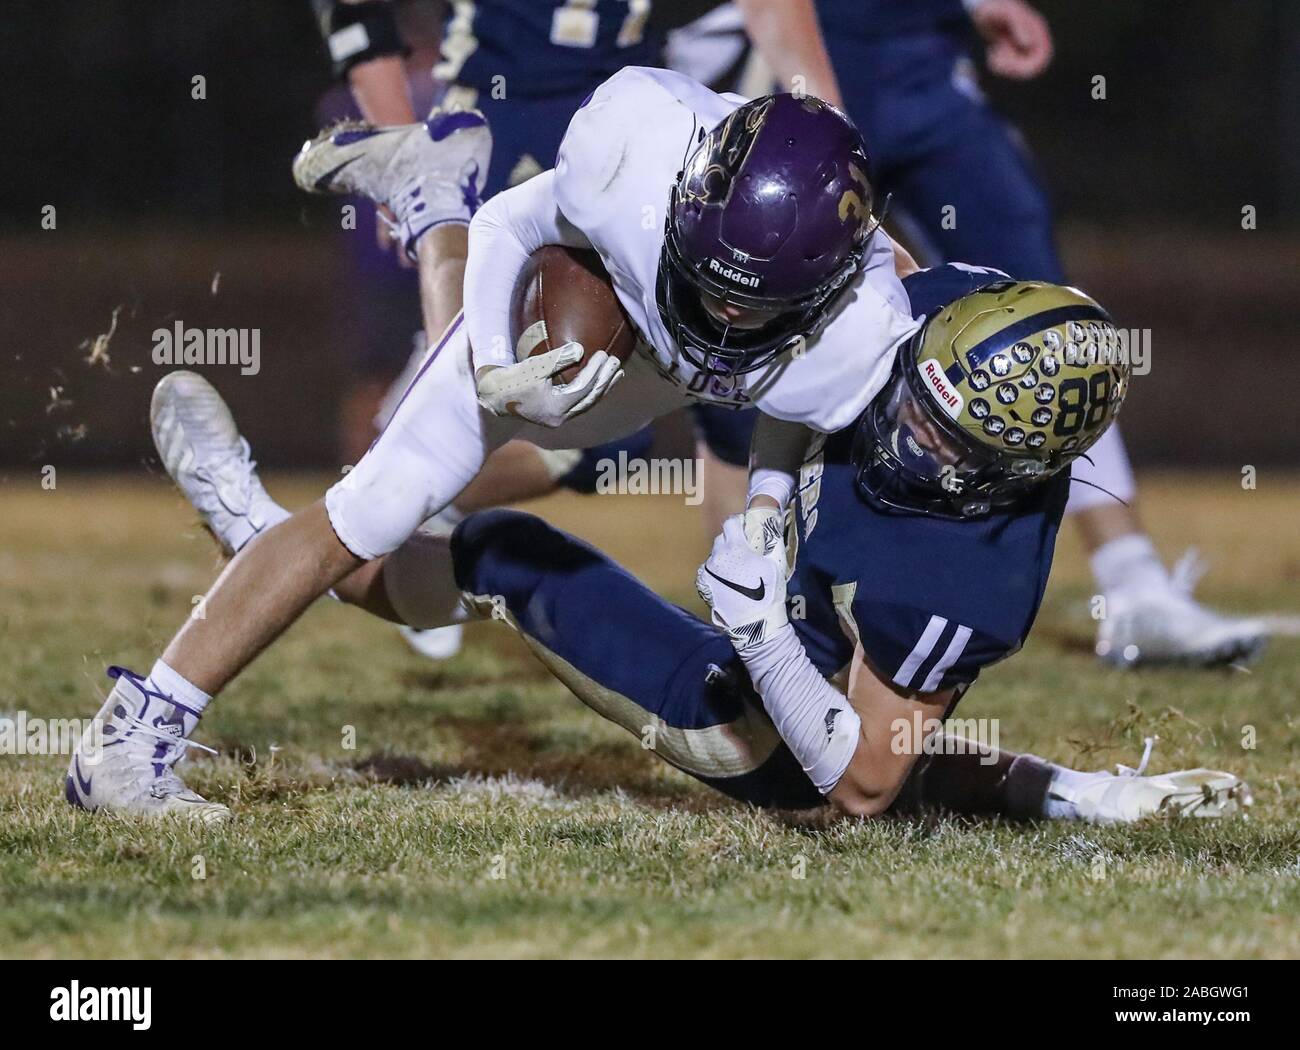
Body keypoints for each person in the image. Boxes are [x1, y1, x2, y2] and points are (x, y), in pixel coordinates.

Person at [75, 263, 1250, 824]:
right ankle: (313, 535)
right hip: (778, 496)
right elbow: (837, 312)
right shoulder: (922, 317)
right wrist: (767, 485)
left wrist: (757, 625)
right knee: (605, 414)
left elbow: (867, 779)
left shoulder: (969, 572)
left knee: (507, 554)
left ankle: (268, 538)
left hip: (760, 688)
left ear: (1011, 474)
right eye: (921, 402)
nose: (911, 435)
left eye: (950, 442)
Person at [64, 68, 924, 821]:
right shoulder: (638, 145)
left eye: (754, 307)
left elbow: (796, 400)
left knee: (474, 525)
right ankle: (135, 735)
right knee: (375, 506)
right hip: (586, 314)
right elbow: (512, 220)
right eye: (707, 277)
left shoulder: (868, 325)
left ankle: (259, 530)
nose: (723, 314)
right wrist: (492, 363)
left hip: (654, 377)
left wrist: (769, 504)